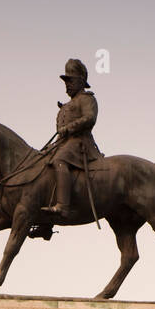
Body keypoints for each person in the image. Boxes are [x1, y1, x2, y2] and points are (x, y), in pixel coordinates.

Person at [42, 57, 104, 220]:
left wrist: (69, 127)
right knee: (41, 163)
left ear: (81, 81)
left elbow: (90, 118)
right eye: (65, 81)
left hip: (80, 143)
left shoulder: (87, 99)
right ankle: (44, 220)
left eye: (71, 80)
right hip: (63, 143)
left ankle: (63, 206)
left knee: (59, 161)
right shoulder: (67, 104)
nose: (67, 85)